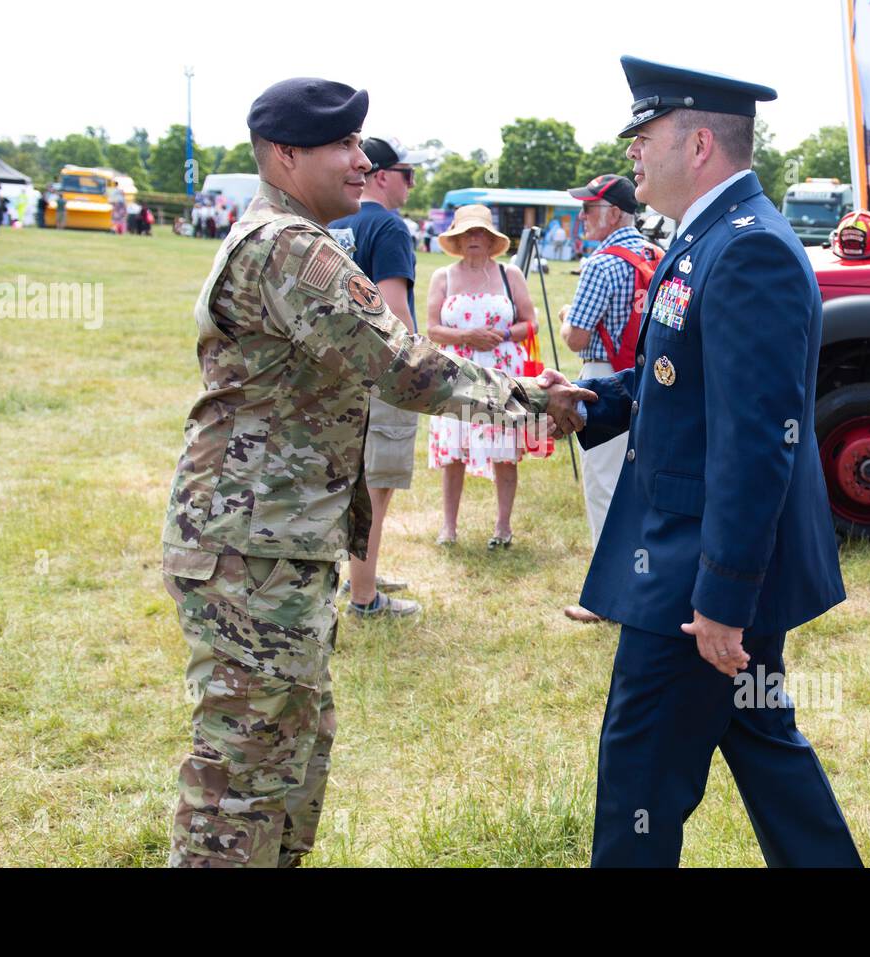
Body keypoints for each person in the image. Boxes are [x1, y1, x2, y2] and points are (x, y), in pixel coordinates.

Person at [160, 75, 593, 868]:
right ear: (287, 156)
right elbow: (405, 368)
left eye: (362, 144)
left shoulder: (289, 236)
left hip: (273, 542)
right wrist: (533, 398)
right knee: (243, 780)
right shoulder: (290, 248)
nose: (363, 162)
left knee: (291, 750)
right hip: (249, 550)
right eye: (344, 145)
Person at [572, 55, 862, 868]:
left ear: (697, 143)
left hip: (696, 576)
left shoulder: (746, 250)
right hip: (702, 561)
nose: (633, 151)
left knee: (638, 779)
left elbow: (758, 439)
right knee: (767, 749)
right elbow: (685, 381)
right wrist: (594, 400)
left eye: (645, 133)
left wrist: (725, 600)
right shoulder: (711, 233)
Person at [328, 136, 426, 618]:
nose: (411, 184)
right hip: (380, 375)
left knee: (351, 485)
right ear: (383, 176)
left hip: (335, 373)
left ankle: (359, 575)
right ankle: (364, 598)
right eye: (408, 174)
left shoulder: (332, 219)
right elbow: (394, 313)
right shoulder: (387, 225)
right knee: (375, 489)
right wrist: (416, 368)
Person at [557, 173, 652, 623]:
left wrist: (564, 319)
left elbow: (576, 339)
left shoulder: (601, 262)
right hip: (653, 380)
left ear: (613, 212)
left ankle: (610, 597)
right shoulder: (655, 253)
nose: (581, 218)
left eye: (588, 209)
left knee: (605, 489)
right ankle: (645, 585)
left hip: (605, 382)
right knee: (642, 489)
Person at [426, 204, 540, 548]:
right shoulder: (443, 276)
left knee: (504, 449)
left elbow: (530, 323)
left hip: (502, 371)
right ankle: (449, 527)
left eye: (480, 233)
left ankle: (503, 528)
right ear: (457, 240)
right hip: (456, 373)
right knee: (454, 450)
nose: (474, 238)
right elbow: (432, 329)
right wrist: (465, 337)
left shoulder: (510, 275)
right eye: (467, 233)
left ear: (492, 240)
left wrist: (502, 335)